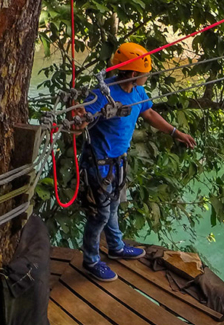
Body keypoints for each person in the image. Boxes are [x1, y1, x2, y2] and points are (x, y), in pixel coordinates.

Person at [78, 42, 196, 282]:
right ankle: (90, 260)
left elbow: (149, 113)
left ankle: (116, 246)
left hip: (117, 161)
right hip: (98, 163)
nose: (147, 76)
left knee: (112, 207)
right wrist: (79, 120)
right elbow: (82, 116)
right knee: (99, 214)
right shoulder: (104, 93)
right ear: (133, 74)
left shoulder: (138, 92)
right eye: (145, 73)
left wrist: (175, 132)